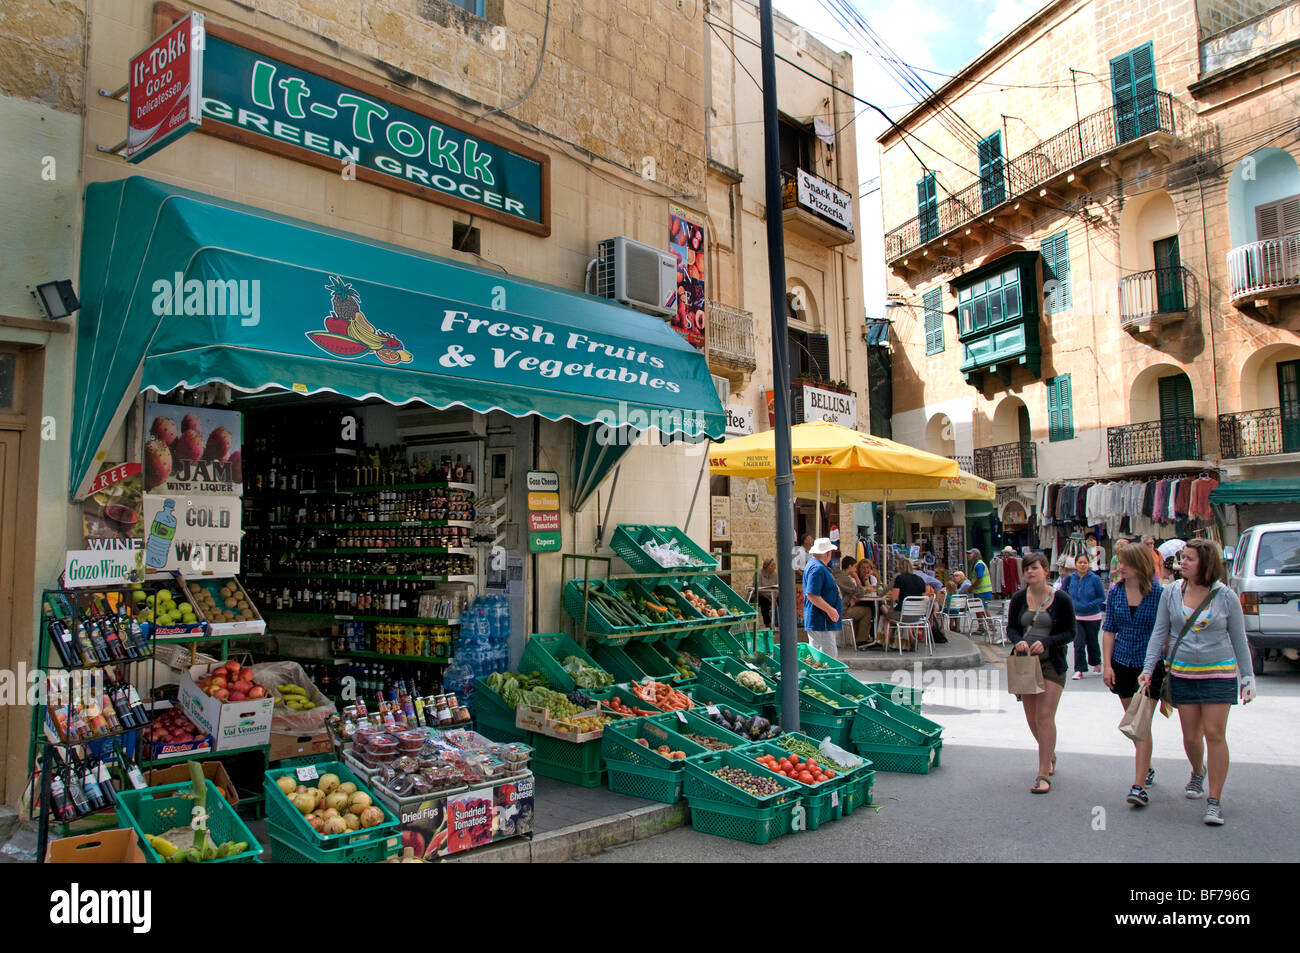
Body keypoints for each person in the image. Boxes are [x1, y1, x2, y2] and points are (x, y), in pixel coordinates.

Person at [1138, 539, 1255, 826]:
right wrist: (1148, 667)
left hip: (1219, 672)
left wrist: (1248, 677)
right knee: (1191, 737)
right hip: (1183, 672)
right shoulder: (1171, 593)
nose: (1182, 563)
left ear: (1204, 563)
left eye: (1189, 558)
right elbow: (1159, 632)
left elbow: (1239, 638)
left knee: (1214, 733)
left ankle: (1214, 801)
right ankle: (1197, 771)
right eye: (1182, 558)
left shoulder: (1225, 596)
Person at [1005, 552, 1077, 794]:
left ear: (1046, 570)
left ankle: (1043, 773)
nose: (1030, 572)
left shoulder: (1061, 599)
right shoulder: (1018, 599)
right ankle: (1050, 753)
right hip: (1025, 663)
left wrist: (1047, 642)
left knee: (1045, 716)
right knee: (1032, 719)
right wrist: (1018, 642)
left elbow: (1070, 632)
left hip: (1051, 663)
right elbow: (1012, 629)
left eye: (1035, 568)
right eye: (1026, 568)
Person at [1101, 542, 1164, 808]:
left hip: (1149, 665)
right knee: (1134, 722)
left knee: (1141, 723)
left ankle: (1138, 786)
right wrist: (1106, 665)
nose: (1120, 567)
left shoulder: (1158, 593)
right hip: (1122, 661)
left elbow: (1164, 633)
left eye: (1125, 562)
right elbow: (1109, 629)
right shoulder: (1115, 592)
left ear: (1139, 564)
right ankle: (1146, 765)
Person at [1062, 553, 1105, 679]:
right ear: (1075, 564)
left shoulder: (1095, 579)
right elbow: (1063, 594)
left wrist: (1089, 605)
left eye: (1085, 563)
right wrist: (1070, 605)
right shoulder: (1070, 578)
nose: (1082, 565)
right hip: (1076, 617)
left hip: (1093, 617)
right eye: (1080, 562)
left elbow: (1101, 597)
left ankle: (1096, 662)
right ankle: (1079, 669)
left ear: (1089, 564)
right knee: (1078, 643)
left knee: (1092, 642)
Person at [875, 557, 928, 651]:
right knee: (904, 614)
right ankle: (912, 639)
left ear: (900, 567)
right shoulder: (920, 580)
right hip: (917, 616)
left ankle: (886, 643)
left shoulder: (900, 578)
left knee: (887, 618)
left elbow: (894, 598)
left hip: (903, 615)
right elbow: (923, 597)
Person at [802, 538, 842, 658]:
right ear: (827, 553)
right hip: (821, 621)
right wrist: (830, 609)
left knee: (822, 655)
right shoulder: (817, 568)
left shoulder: (816, 566)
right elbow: (812, 594)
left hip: (821, 620)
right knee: (826, 657)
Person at [834, 555, 873, 644]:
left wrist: (852, 598)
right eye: (855, 567)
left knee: (858, 609)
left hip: (836, 607)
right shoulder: (845, 579)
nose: (856, 570)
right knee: (867, 611)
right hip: (842, 610)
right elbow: (859, 593)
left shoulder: (836, 575)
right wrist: (856, 578)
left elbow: (851, 592)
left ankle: (856, 638)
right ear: (850, 567)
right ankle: (861, 640)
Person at [757, 557, 778, 627]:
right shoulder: (759, 574)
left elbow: (778, 588)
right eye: (774, 566)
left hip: (773, 595)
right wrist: (770, 599)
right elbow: (759, 590)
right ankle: (768, 623)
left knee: (783, 600)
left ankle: (780, 621)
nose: (775, 567)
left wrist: (774, 598)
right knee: (764, 602)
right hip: (762, 595)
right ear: (770, 567)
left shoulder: (775, 575)